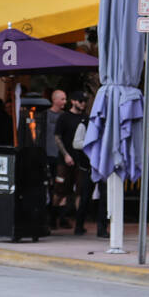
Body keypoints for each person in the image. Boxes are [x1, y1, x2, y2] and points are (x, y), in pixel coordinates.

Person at [60, 91, 106, 236]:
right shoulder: (86, 122)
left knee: (103, 197)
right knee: (86, 196)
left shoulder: (105, 124)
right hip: (89, 165)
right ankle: (80, 226)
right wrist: (93, 146)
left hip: (101, 165)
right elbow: (77, 143)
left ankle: (101, 228)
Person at [42, 90, 75, 228]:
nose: (64, 102)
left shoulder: (65, 116)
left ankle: (61, 216)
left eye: (65, 98)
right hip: (47, 156)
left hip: (61, 157)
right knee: (50, 187)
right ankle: (52, 216)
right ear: (54, 100)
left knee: (61, 186)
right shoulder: (44, 116)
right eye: (62, 99)